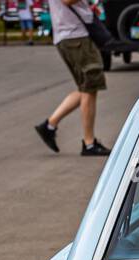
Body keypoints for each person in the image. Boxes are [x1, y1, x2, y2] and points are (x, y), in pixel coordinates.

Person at [34, 0, 110, 157]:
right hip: (75, 36)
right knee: (90, 87)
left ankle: (49, 126)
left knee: (86, 88)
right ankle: (89, 144)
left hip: (72, 35)